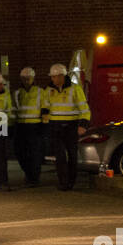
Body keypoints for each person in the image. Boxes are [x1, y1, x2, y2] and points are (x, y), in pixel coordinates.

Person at [44, 63, 92, 191]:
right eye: (52, 77)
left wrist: (83, 125)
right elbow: (45, 108)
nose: (52, 79)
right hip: (56, 127)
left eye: (54, 77)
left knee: (72, 155)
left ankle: (71, 181)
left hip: (71, 126)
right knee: (59, 156)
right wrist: (46, 124)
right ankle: (63, 182)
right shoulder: (49, 90)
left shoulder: (75, 89)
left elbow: (85, 109)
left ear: (61, 76)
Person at [13, 67, 45, 186]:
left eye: (29, 78)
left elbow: (45, 108)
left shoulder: (40, 92)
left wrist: (44, 125)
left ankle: (34, 178)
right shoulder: (17, 93)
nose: (27, 80)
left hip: (35, 126)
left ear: (33, 78)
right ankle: (28, 174)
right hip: (21, 126)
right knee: (20, 152)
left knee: (35, 154)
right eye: (24, 78)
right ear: (21, 79)